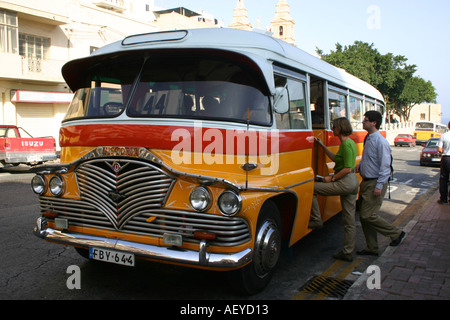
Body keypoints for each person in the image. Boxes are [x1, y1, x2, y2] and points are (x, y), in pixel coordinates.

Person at [355, 111, 405, 256]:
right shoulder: (368, 138)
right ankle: (372, 247)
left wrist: (379, 185)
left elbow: (385, 166)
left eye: (366, 120)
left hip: (375, 182)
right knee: (365, 218)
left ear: (374, 123)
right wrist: (361, 165)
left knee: (367, 216)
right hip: (366, 181)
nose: (363, 122)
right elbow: (370, 159)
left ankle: (396, 233)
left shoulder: (380, 142)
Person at [309, 117, 359, 261]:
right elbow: (336, 159)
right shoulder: (348, 143)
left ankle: (316, 219)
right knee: (349, 220)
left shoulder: (346, 145)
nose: (332, 129)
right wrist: (323, 146)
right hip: (351, 183)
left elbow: (348, 168)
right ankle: (348, 251)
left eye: (334, 127)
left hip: (346, 182)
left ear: (340, 128)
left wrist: (331, 179)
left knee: (312, 188)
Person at [437, 121, 450, 204]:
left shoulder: (444, 135)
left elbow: (439, 149)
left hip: (446, 158)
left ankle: (443, 199)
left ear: (448, 126)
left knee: (443, 178)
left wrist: (443, 151)